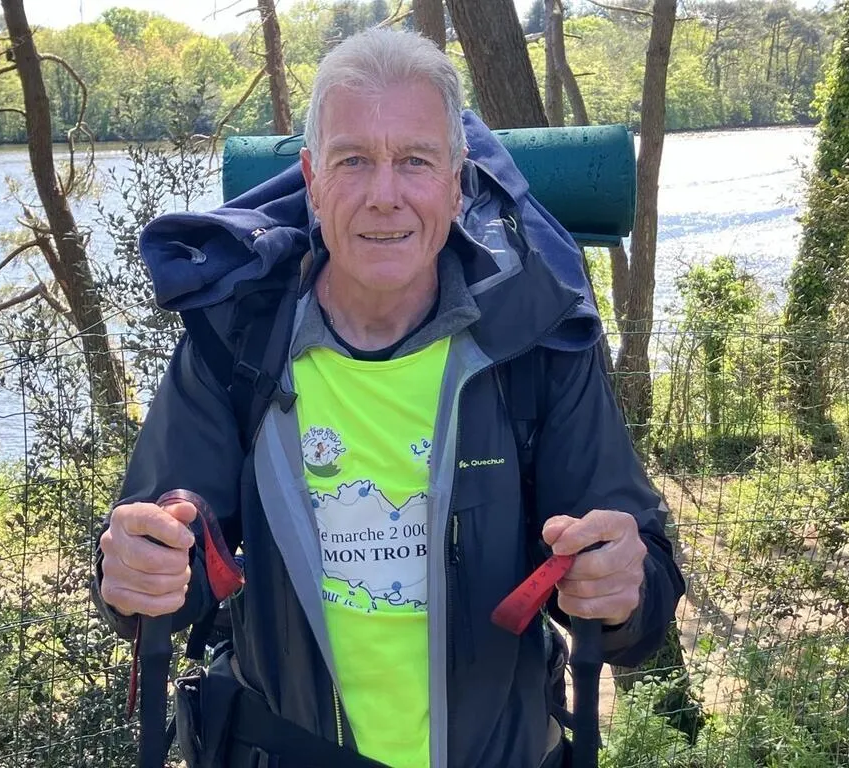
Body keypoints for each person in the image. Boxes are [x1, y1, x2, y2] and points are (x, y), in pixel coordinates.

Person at [92, 27, 684, 768]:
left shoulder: (532, 339)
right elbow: (157, 560)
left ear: (456, 181)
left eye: (414, 161)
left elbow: (637, 583)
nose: (384, 196)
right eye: (353, 161)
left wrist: (623, 585)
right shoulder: (239, 338)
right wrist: (134, 572)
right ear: (312, 179)